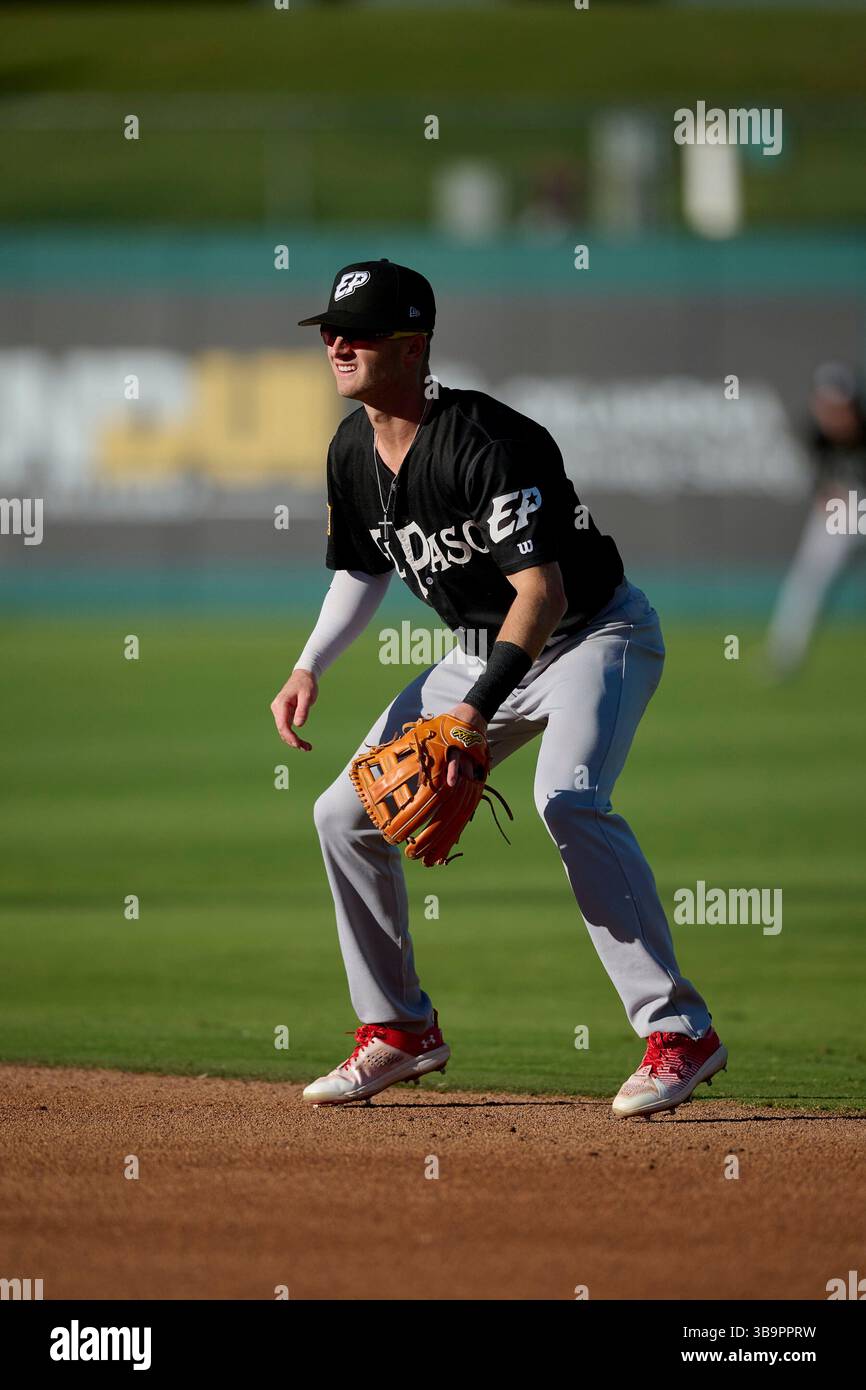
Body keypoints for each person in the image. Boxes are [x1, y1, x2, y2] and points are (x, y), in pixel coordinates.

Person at [270, 259, 726, 1118]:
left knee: (569, 799)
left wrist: (471, 719)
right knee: (341, 815)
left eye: (358, 331)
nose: (336, 343)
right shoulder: (350, 451)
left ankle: (680, 1032)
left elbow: (542, 594)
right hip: (485, 652)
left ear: (412, 345)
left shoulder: (488, 442)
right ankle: (399, 1029)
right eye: (330, 329)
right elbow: (362, 571)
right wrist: (308, 667)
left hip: (594, 635)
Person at [765, 362, 866, 677]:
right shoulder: (815, 433)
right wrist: (825, 493)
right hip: (840, 508)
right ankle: (784, 656)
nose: (832, 414)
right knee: (809, 579)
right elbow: (817, 479)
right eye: (826, 405)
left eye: (840, 406)